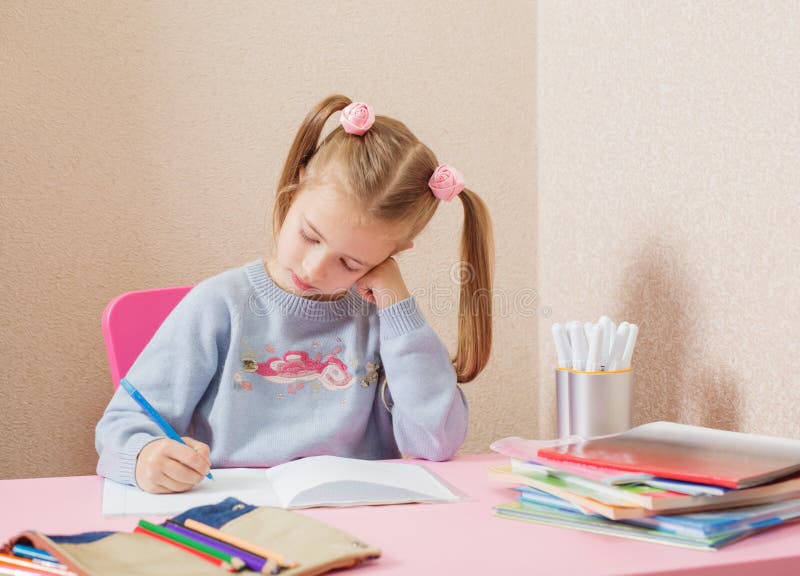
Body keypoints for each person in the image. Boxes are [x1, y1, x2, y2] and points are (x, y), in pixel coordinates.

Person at [95, 95, 494, 494]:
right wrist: (144, 457)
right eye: (309, 235)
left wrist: (399, 307)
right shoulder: (218, 306)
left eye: (350, 264)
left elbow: (435, 441)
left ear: (390, 256)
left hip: (361, 522)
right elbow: (121, 426)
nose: (314, 268)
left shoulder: (381, 321)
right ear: (296, 185)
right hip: (237, 522)